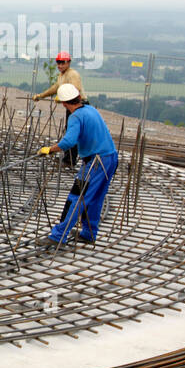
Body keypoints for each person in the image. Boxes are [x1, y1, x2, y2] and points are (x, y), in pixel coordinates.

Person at [39, 83, 117, 245]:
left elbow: (68, 142)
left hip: (95, 162)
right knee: (95, 197)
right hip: (110, 158)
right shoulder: (91, 110)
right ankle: (89, 233)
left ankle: (58, 236)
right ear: (79, 97)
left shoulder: (75, 116)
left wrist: (50, 150)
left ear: (64, 103)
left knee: (76, 197)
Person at [33, 51, 84, 169]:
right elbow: (55, 88)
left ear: (68, 63)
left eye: (62, 63)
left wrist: (62, 98)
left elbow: (76, 89)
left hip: (77, 105)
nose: (60, 66)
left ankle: (69, 161)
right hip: (70, 105)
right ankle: (69, 158)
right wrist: (41, 96)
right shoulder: (61, 76)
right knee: (70, 130)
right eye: (58, 63)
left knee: (72, 132)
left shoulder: (73, 74)